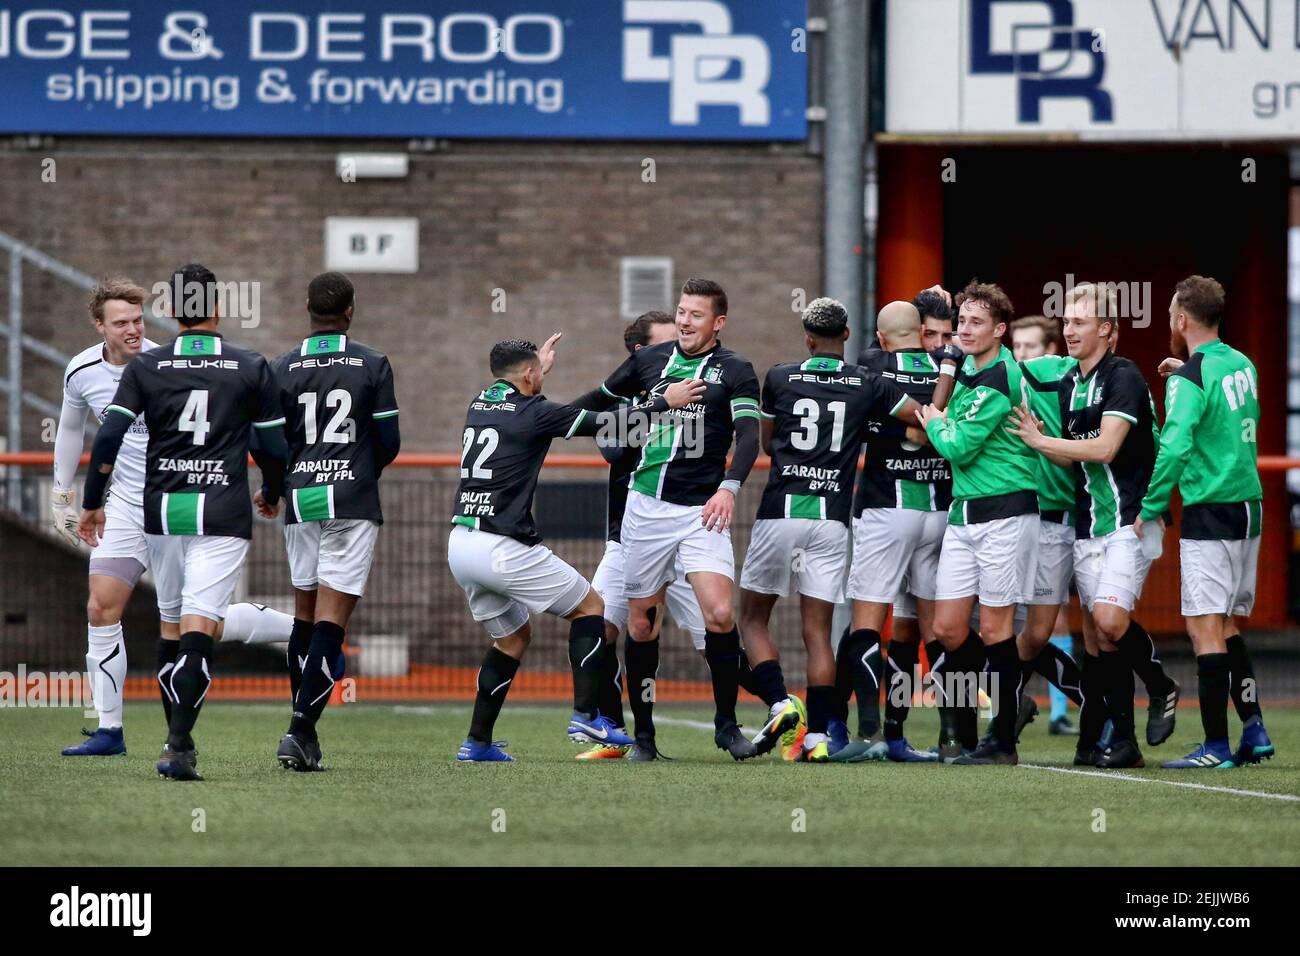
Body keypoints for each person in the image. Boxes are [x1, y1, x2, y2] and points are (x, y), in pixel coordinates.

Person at [55, 278, 295, 757]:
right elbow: (70, 429)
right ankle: (109, 729)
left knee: (196, 621)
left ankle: (293, 630)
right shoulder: (81, 371)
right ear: (98, 325)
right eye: (120, 322)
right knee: (101, 606)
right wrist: (65, 495)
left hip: (175, 500)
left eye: (138, 320)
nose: (132, 330)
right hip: (126, 505)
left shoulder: (164, 364)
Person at [448, 337, 703, 761]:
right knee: (591, 607)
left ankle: (477, 743)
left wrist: (536, 370)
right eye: (536, 372)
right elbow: (607, 425)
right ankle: (587, 714)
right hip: (502, 545)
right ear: (530, 375)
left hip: (461, 545)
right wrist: (664, 402)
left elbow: (524, 395)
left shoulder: (481, 401)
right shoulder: (535, 412)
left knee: (512, 639)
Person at [571, 278, 763, 761]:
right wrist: (534, 415)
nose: (684, 321)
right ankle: (645, 737)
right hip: (645, 510)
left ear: (718, 323)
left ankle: (726, 726)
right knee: (640, 626)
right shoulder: (648, 362)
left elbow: (750, 436)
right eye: (681, 311)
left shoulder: (736, 370)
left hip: (702, 511)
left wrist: (729, 487)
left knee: (720, 614)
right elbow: (597, 407)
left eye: (696, 315)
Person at [738, 297, 918, 761]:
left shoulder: (779, 376)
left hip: (781, 510)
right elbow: (918, 417)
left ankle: (779, 701)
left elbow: (766, 442)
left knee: (753, 618)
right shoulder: (867, 383)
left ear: (808, 338)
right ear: (847, 337)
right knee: (817, 633)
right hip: (831, 520)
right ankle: (818, 736)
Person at [1009, 284, 1163, 769]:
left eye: (1078, 322)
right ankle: (1112, 743)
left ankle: (1162, 685)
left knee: (1110, 624)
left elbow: (1105, 449)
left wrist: (1040, 440)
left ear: (1107, 330)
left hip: (1130, 519)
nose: (1069, 329)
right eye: (1067, 321)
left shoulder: (1123, 376)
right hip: (1088, 522)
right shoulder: (1071, 381)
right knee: (1098, 638)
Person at [1135, 276, 1275, 769]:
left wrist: (1150, 506)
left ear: (1181, 320)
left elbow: (1173, 446)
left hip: (1210, 508)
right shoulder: (1239, 363)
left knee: (1203, 628)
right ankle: (1253, 726)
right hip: (1249, 506)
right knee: (1228, 623)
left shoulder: (1189, 379)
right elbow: (1219, 403)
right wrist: (1185, 374)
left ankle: (1216, 747)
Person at [266, 272, 401, 771]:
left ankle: (301, 726)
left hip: (302, 497)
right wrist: (359, 471)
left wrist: (279, 485)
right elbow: (389, 441)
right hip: (351, 498)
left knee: (305, 616)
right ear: (350, 311)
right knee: (331, 623)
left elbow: (272, 444)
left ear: (308, 308)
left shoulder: (281, 366)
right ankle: (301, 729)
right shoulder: (371, 362)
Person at [918, 281, 1039, 765]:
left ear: (1000, 330)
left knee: (995, 630)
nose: (964, 330)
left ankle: (1002, 739)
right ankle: (989, 718)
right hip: (965, 513)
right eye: (961, 321)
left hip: (1005, 511)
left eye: (975, 322)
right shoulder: (969, 364)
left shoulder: (1000, 377)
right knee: (948, 628)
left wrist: (931, 422)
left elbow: (956, 446)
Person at [582, 311, 710, 760]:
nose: (677, 352)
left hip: (687, 537)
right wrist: (660, 406)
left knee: (717, 640)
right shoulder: (625, 405)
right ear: (641, 355)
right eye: (666, 345)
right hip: (629, 542)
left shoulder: (696, 392)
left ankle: (778, 705)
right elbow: (612, 444)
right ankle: (618, 732)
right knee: (596, 630)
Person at [835, 300, 952, 762]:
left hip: (886, 508)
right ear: (924, 332)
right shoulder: (948, 368)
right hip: (940, 509)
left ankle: (867, 731)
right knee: (934, 628)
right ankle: (950, 736)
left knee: (867, 622)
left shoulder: (871, 364)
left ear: (883, 338)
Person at [1010, 314, 1084, 737]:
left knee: (1076, 624)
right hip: (1029, 520)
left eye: (1031, 348)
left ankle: (1067, 710)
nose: (1021, 357)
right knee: (1025, 626)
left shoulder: (1070, 391)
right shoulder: (1008, 392)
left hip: (1074, 519)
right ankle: (1013, 706)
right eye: (1016, 348)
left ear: (1052, 353)